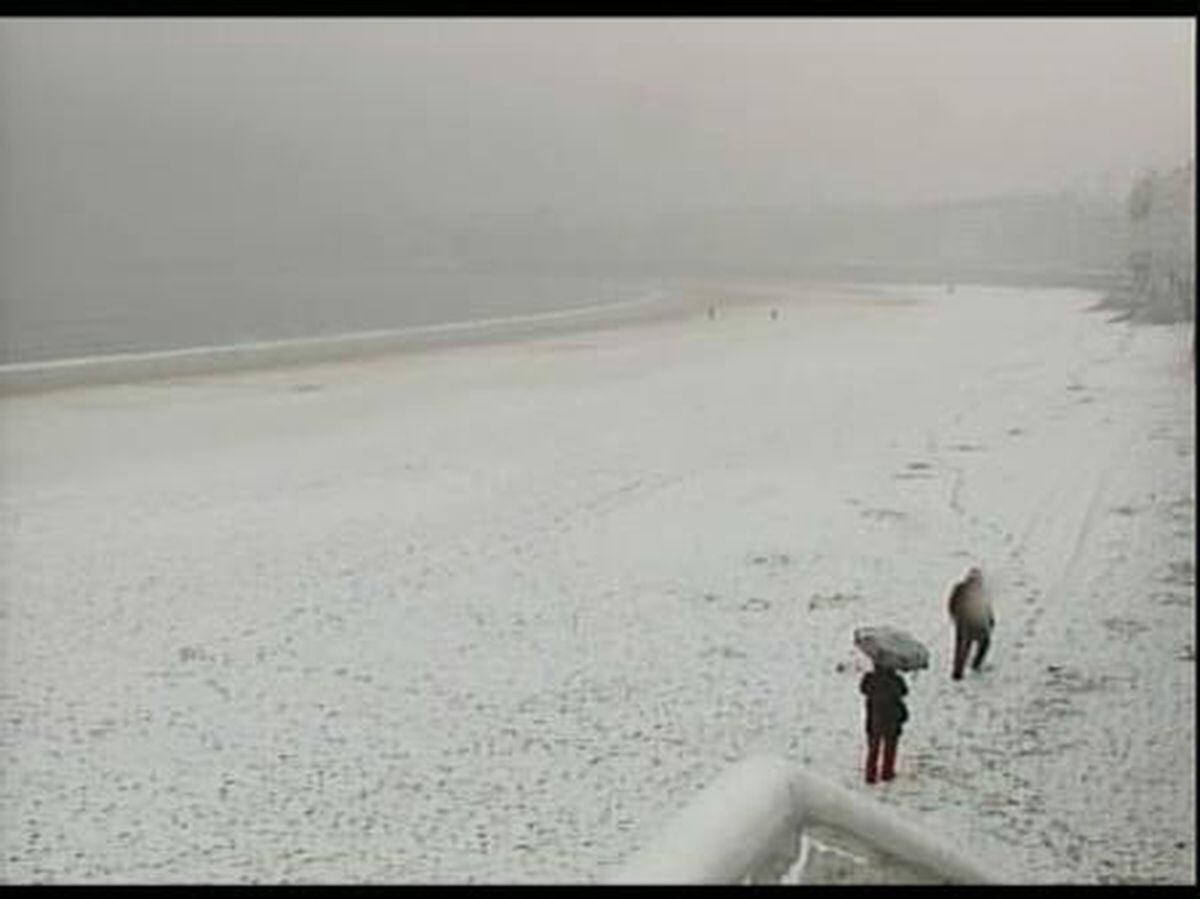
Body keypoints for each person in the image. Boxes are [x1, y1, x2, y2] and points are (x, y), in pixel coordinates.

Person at [859, 662, 908, 783]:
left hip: (874, 718)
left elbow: (863, 689)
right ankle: (887, 772)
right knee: (890, 748)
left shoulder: (870, 678)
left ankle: (870, 774)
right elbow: (904, 692)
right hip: (892, 719)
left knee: (873, 747)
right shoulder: (896, 680)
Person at [947, 566, 995, 680]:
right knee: (980, 644)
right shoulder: (975, 590)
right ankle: (972, 666)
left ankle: (959, 672)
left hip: (966, 622)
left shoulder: (963, 589)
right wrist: (990, 620)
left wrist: (955, 616)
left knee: (962, 647)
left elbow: (952, 604)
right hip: (970, 622)